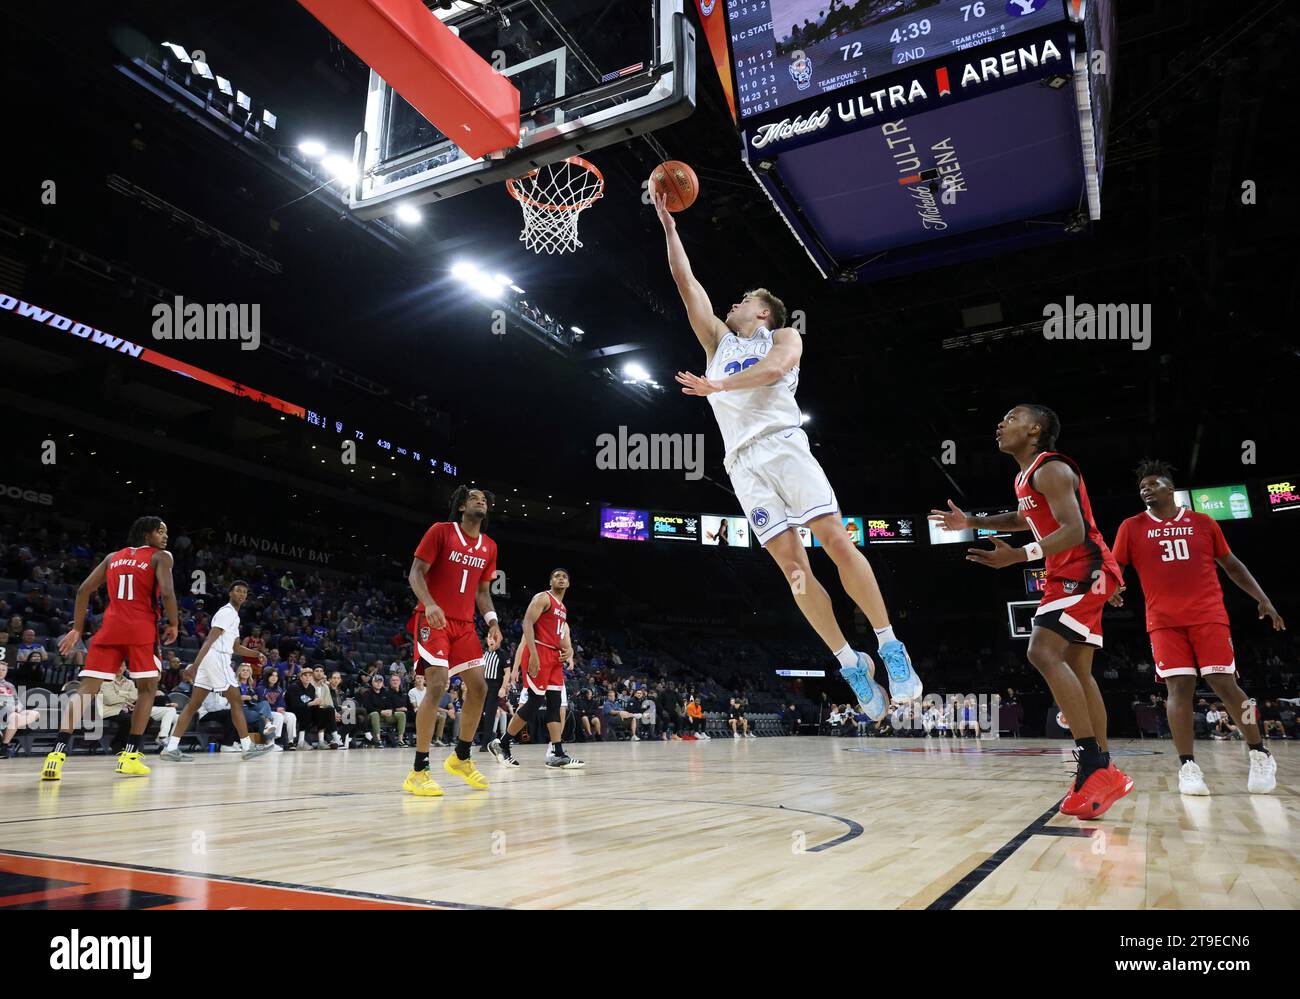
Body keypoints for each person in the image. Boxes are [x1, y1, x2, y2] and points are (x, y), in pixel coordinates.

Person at [654, 190, 922, 722]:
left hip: (783, 448)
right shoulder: (717, 344)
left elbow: (775, 372)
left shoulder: (783, 334)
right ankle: (850, 662)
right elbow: (688, 286)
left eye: (741, 300)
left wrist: (718, 386)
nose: (730, 305)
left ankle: (890, 645)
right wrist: (668, 225)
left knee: (836, 542)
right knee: (793, 571)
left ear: (761, 309)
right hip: (742, 466)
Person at [930, 406, 1132, 818]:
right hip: (1076, 571)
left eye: (1011, 418)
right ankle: (1104, 768)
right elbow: (1026, 517)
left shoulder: (1051, 468)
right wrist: (971, 520)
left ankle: (1094, 763)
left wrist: (1021, 556)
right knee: (1077, 668)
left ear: (1035, 429)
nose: (1000, 423)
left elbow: (1074, 529)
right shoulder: (1025, 476)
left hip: (1083, 567)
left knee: (1041, 652)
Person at [1110, 458, 1283, 795]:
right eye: (1142, 485)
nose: (1146, 487)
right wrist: (1112, 587)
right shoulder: (1131, 527)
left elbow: (1232, 565)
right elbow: (1114, 567)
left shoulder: (1203, 522)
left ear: (1170, 488)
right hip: (1162, 621)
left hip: (1208, 615)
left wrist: (1263, 598)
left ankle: (1260, 752)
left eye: (1154, 482)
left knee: (1225, 684)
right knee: (1178, 688)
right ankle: (1187, 766)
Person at [43, 516, 180, 781]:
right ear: (146, 533)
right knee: (149, 689)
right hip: (141, 629)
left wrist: (78, 629)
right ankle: (129, 756)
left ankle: (56, 755)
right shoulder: (161, 556)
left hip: (109, 629)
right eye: (160, 531)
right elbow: (167, 592)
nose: (165, 536)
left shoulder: (112, 557)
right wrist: (174, 623)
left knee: (85, 690)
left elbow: (83, 590)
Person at [403, 486, 501, 796]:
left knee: (480, 688)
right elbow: (415, 573)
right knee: (437, 685)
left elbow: (483, 593)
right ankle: (419, 771)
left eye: (484, 498)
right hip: (433, 619)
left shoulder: (489, 547)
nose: (480, 500)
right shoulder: (441, 532)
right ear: (460, 506)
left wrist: (492, 622)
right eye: (473, 497)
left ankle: (460, 757)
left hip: (464, 625)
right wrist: (430, 603)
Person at [161, 580, 274, 763]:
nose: (242, 594)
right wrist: (195, 666)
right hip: (217, 658)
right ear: (230, 593)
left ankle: (171, 748)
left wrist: (256, 653)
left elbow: (236, 647)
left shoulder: (234, 616)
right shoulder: (226, 612)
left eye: (245, 592)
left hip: (212, 659)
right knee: (236, 699)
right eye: (238, 591)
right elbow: (209, 640)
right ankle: (247, 747)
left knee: (193, 705)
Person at [490, 569, 583, 769]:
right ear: (550, 581)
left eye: (564, 577)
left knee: (555, 704)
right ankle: (503, 744)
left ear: (568, 584)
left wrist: (570, 651)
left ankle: (557, 752)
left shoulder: (563, 608)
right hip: (539, 651)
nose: (560, 578)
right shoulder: (543, 597)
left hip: (554, 658)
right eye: (557, 576)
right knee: (534, 701)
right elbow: (527, 623)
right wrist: (532, 654)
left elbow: (563, 638)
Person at [0, 659, 40, 758]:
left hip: (13, 713)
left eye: (4, 670)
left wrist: (18, 707)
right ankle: (4, 746)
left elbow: (17, 702)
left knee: (35, 714)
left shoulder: (10, 686)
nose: (1, 672)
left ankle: (7, 732)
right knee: (14, 717)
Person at [257, 667, 297, 749]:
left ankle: (290, 742)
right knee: (279, 716)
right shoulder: (261, 688)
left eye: (276, 676)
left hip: (277, 710)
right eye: (272, 675)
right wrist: (276, 709)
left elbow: (282, 702)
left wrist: (281, 708)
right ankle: (272, 741)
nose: (274, 678)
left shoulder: (279, 689)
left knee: (291, 716)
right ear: (267, 677)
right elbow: (262, 704)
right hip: (266, 712)